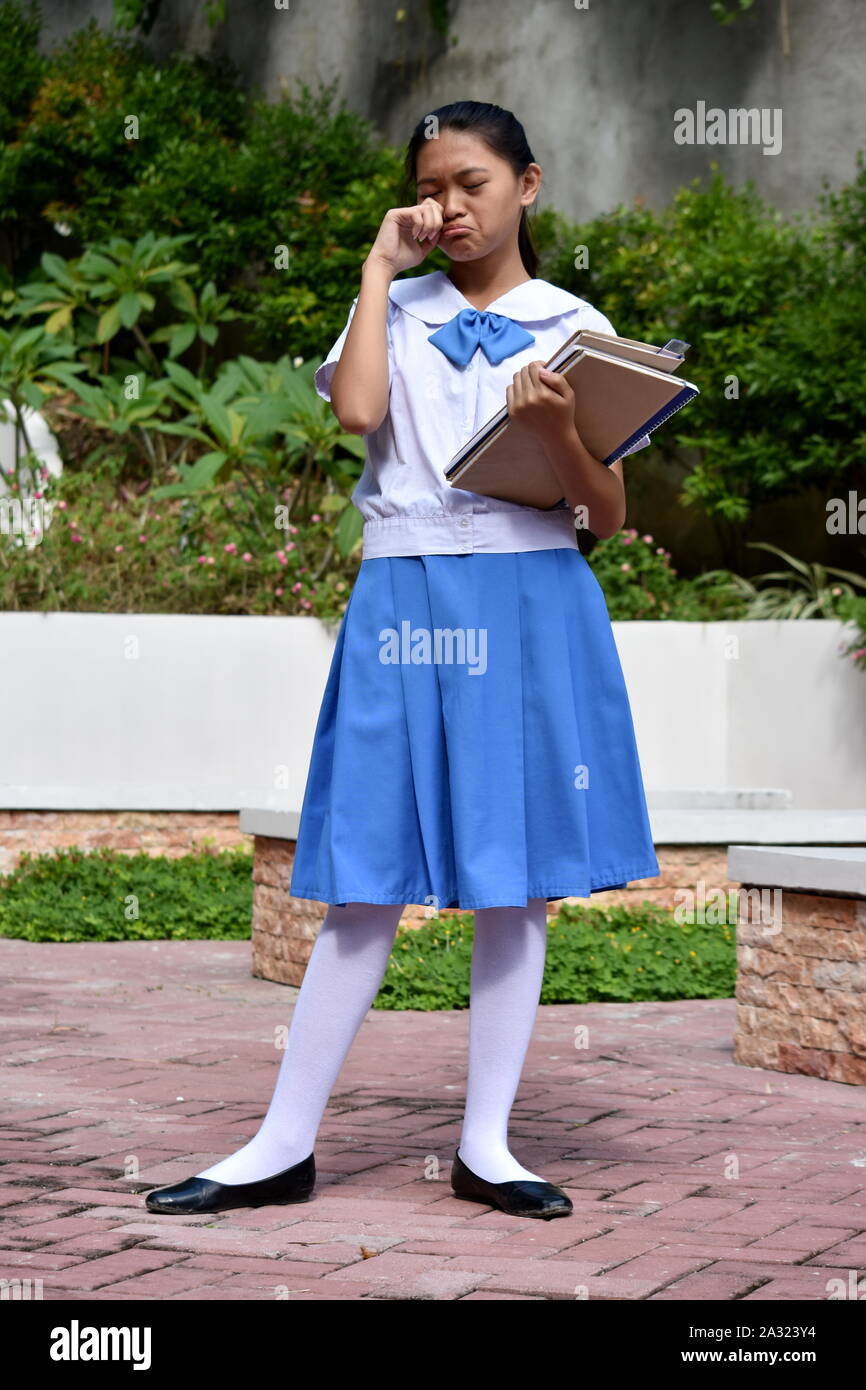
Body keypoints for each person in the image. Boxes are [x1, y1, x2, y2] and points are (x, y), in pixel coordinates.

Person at [145, 100, 659, 1223]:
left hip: (531, 596)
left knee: (515, 883)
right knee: (365, 873)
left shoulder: (575, 323)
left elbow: (604, 514)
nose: (448, 207)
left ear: (528, 184)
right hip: (402, 593)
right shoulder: (391, 301)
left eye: (471, 182)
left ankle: (487, 1143)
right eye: (430, 186)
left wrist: (562, 429)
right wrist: (379, 270)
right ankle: (281, 1143)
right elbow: (358, 411)